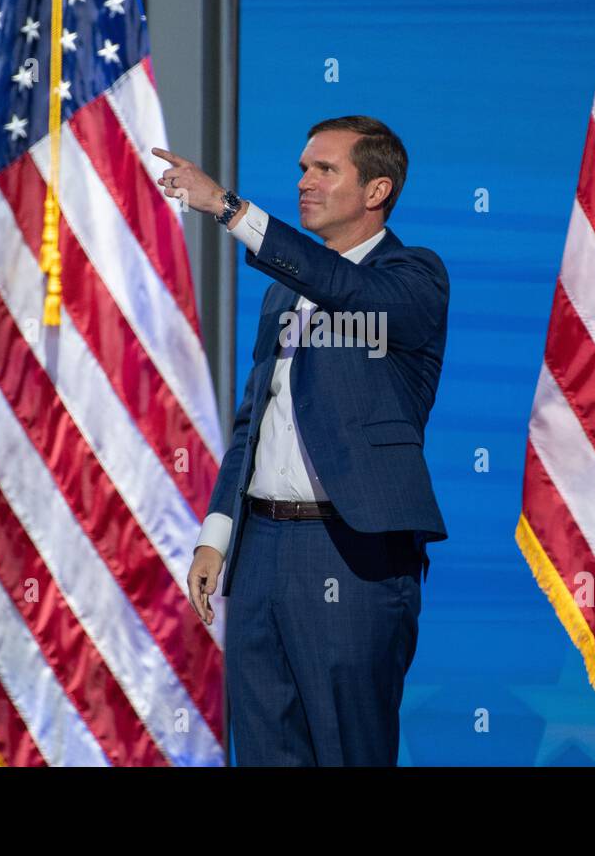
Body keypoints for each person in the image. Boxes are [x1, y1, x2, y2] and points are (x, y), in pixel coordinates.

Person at [152, 115, 448, 766]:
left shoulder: (413, 278)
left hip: (351, 552)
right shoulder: (282, 293)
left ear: (377, 190)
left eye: (324, 169)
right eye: (301, 168)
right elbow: (251, 424)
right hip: (261, 556)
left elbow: (347, 288)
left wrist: (228, 208)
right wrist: (217, 534)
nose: (304, 182)